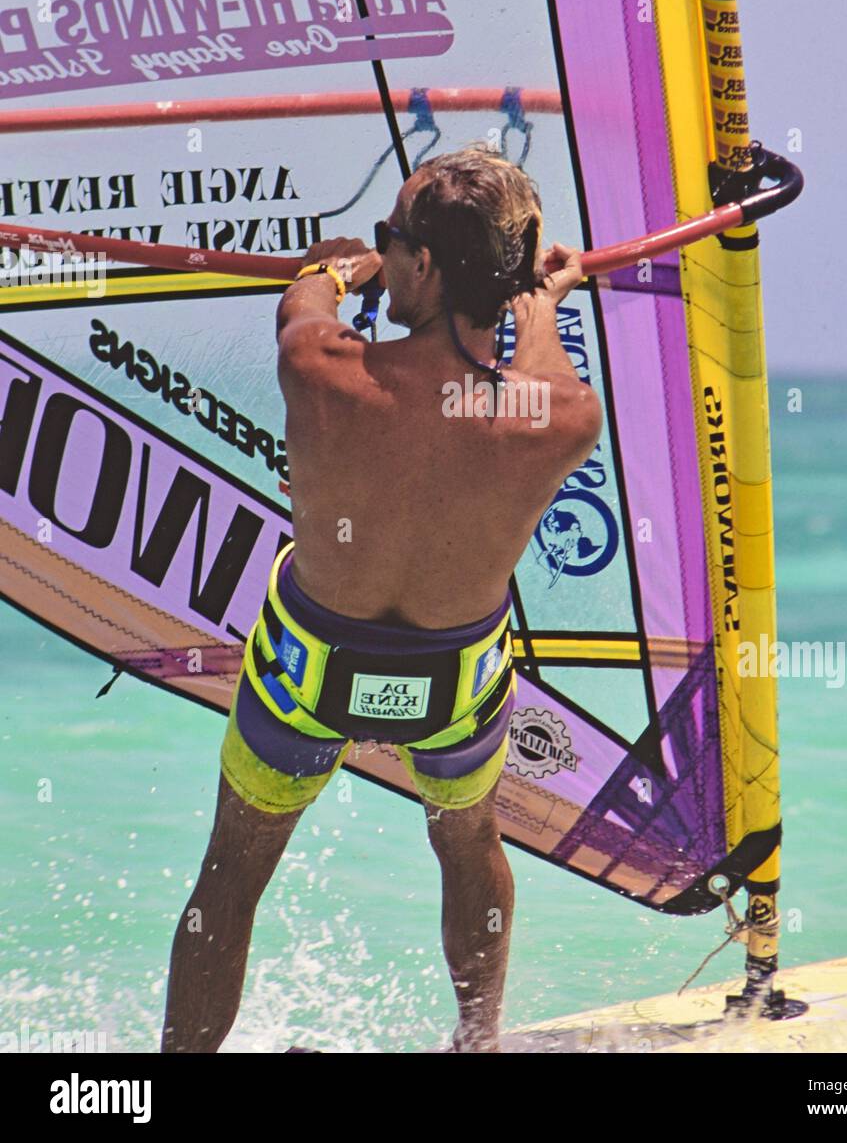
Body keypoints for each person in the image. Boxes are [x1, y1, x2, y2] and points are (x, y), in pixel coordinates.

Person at [161, 146, 603, 1053]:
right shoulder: (557, 419)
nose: (382, 249)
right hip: (453, 682)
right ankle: (477, 1041)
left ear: (425, 266)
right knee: (469, 838)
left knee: (235, 871)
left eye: (391, 236)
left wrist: (332, 266)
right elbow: (548, 376)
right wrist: (539, 301)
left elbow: (304, 302)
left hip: (308, 672)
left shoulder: (323, 369)